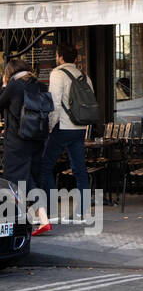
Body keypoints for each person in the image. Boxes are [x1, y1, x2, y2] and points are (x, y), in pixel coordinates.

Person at [42, 44, 95, 221]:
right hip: (79, 128)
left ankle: (50, 210)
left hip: (62, 126)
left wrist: (50, 125)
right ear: (75, 58)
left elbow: (54, 103)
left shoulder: (57, 73)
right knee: (79, 168)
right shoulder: (84, 76)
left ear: (60, 57)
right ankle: (83, 211)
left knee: (45, 166)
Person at [1, 60, 52, 235]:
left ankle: (15, 222)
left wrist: (4, 85)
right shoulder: (39, 85)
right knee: (29, 178)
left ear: (10, 72)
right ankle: (42, 219)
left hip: (17, 142)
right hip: (37, 140)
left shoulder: (14, 86)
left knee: (12, 180)